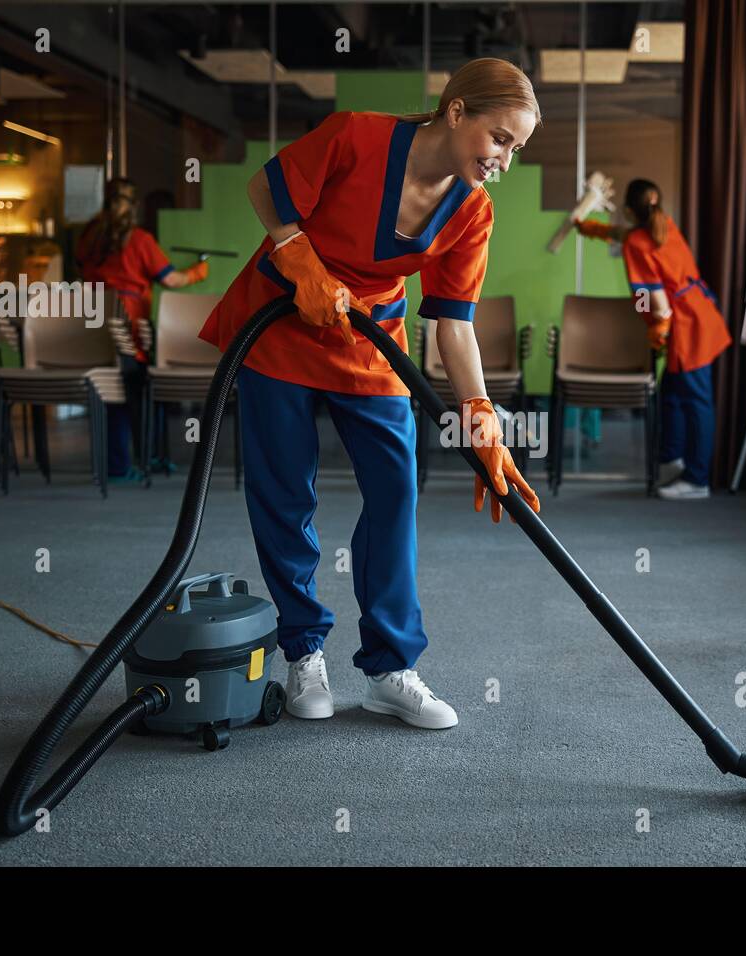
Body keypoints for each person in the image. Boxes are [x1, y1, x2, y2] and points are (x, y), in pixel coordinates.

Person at [198, 59, 542, 729]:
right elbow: (268, 190)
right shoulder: (356, 136)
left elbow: (453, 324)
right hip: (279, 329)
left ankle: (390, 668)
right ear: (456, 111)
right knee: (284, 491)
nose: (504, 159)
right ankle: (302, 653)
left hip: (370, 341)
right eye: (499, 138)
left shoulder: (472, 210)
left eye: (517, 149)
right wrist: (299, 258)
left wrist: (481, 420)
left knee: (395, 490)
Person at [574, 179, 731, 499]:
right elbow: (624, 235)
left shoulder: (638, 242)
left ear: (630, 211)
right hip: (700, 314)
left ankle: (697, 480)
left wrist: (656, 332)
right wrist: (587, 227)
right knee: (672, 395)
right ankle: (671, 461)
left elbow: (655, 302)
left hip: (688, 328)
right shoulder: (664, 226)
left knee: (695, 400)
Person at [76, 178, 208, 480]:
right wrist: (201, 269)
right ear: (133, 205)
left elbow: (82, 271)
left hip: (95, 322)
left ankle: (117, 464)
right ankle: (145, 460)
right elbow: (172, 280)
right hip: (129, 327)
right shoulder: (140, 240)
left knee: (109, 393)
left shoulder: (88, 236)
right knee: (138, 393)